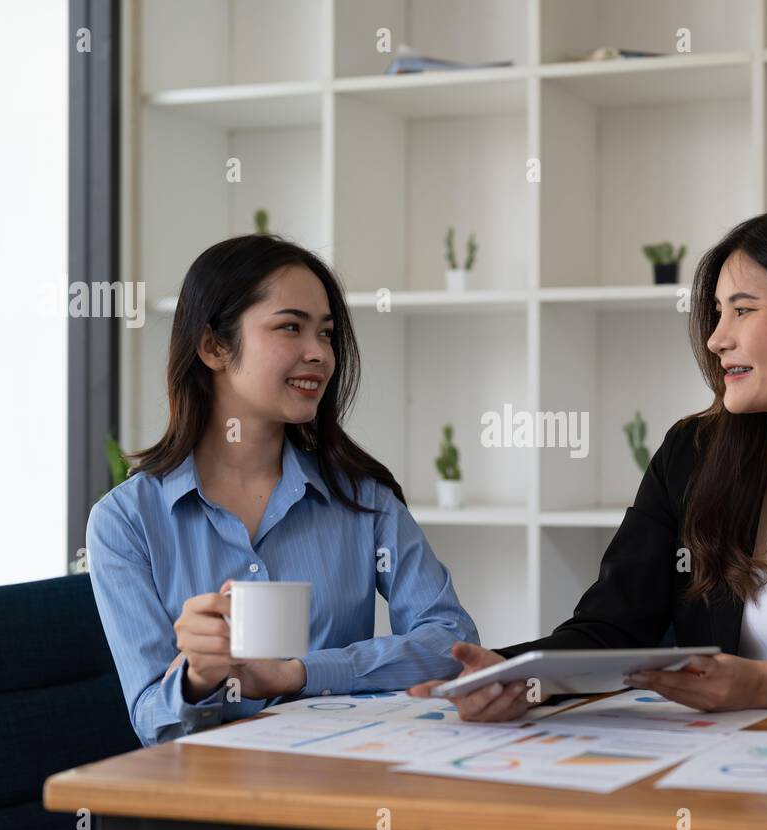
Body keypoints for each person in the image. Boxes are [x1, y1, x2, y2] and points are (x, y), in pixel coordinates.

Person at [410, 203, 767, 721]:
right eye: (716, 313)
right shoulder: (690, 455)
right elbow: (613, 627)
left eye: (742, 310)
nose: (716, 339)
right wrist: (516, 674)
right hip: (703, 777)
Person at [87, 234, 478, 748]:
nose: (319, 354)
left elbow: (453, 643)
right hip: (214, 806)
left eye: (327, 333)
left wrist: (299, 672)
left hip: (346, 779)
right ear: (214, 347)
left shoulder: (364, 500)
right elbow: (154, 723)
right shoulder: (126, 522)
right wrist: (199, 679)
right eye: (290, 327)